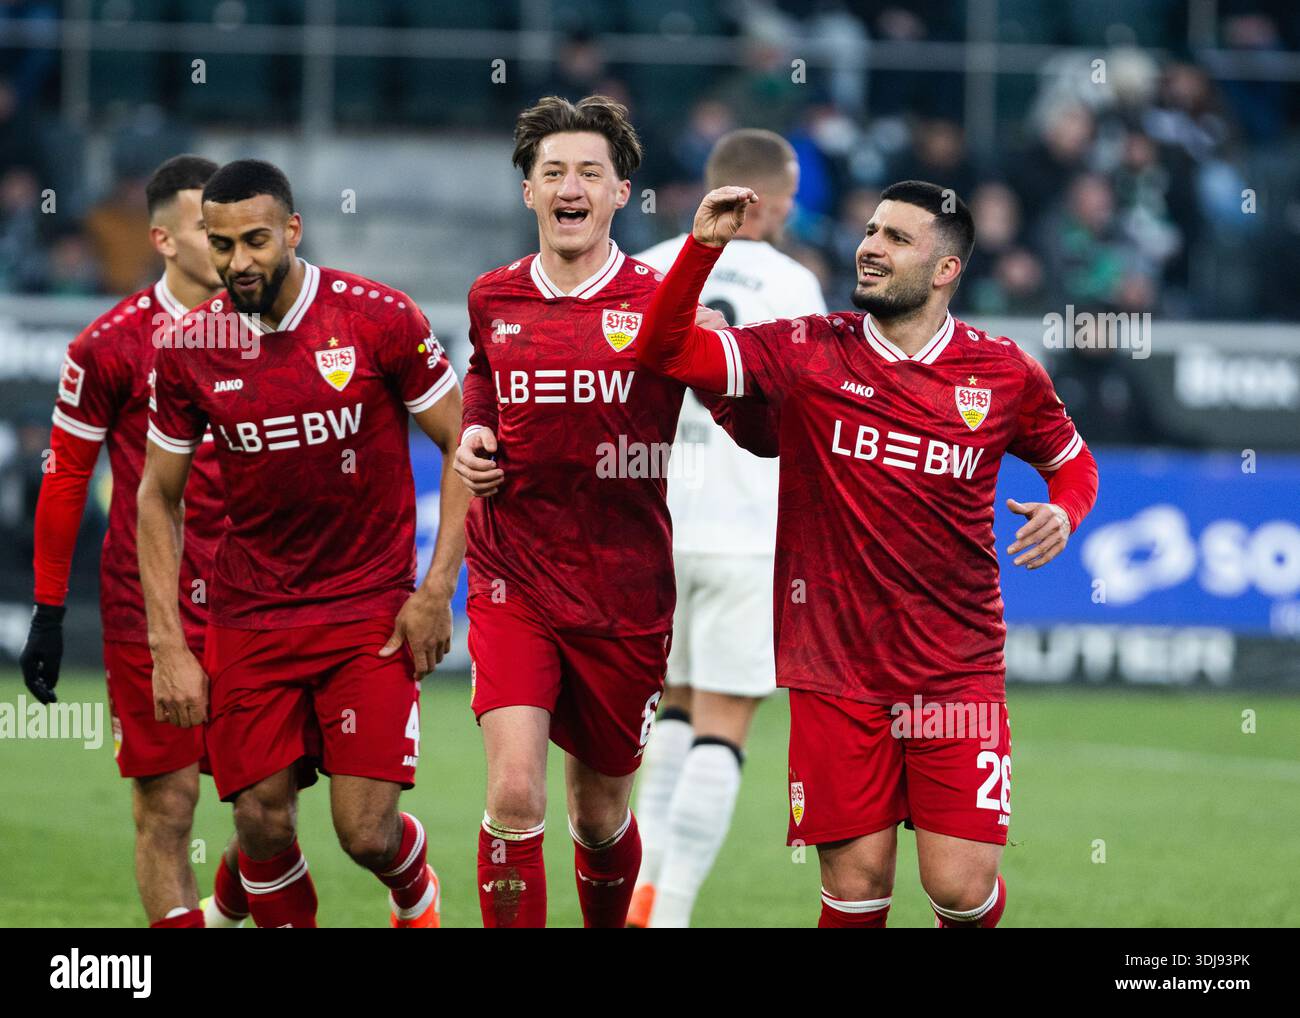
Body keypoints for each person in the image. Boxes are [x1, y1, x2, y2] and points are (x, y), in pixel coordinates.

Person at [635, 180, 1099, 927]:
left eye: (896, 238)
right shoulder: (808, 352)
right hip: (836, 672)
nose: (870, 247)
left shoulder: (1003, 372)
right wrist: (703, 250)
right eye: (871, 231)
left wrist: (1064, 511)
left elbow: (1073, 462)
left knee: (959, 887)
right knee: (855, 889)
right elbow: (664, 348)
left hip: (956, 671)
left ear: (945, 270)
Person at [138, 159, 468, 928]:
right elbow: (157, 495)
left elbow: (462, 443)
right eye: (221, 246)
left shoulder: (376, 317)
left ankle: (413, 886)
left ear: (292, 229)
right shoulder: (190, 346)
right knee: (261, 819)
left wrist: (434, 592)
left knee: (364, 834)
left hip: (367, 611)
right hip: (251, 614)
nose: (239, 262)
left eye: (256, 240)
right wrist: (168, 645)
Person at [454, 95, 723, 928]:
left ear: (621, 196)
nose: (570, 187)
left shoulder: (659, 303)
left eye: (590, 174)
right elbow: (482, 377)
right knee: (512, 792)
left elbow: (751, 402)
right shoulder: (493, 297)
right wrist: (474, 434)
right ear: (530, 193)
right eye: (553, 173)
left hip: (624, 591)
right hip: (513, 577)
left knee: (600, 815)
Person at [20, 154, 238, 928]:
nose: (225, 244)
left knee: (271, 812)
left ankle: (237, 899)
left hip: (265, 594)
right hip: (151, 603)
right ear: (161, 240)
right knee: (169, 806)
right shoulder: (108, 346)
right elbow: (66, 477)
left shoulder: (285, 330)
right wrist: (48, 612)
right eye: (204, 228)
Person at [629, 128, 826, 928]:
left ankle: (633, 903)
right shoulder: (794, 282)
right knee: (723, 724)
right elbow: (811, 408)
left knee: (671, 713)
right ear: (775, 201)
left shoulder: (647, 265)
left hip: (654, 524)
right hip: (750, 528)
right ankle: (667, 912)